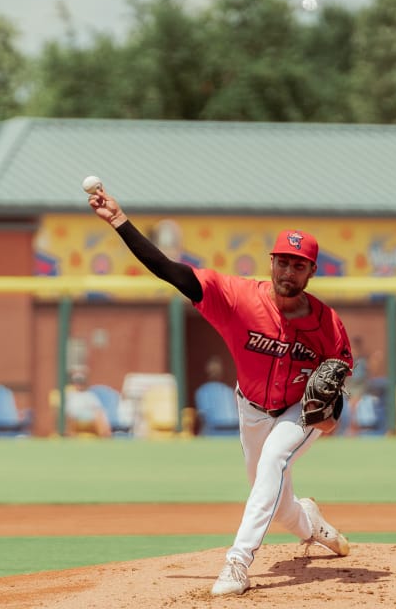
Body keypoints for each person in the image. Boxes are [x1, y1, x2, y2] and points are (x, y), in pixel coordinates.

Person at [88, 183, 352, 597]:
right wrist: (120, 221)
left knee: (273, 462)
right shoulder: (238, 298)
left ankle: (237, 562)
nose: (288, 272)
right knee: (277, 500)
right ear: (272, 263)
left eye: (298, 265)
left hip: (297, 411)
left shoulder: (327, 323)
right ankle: (309, 522)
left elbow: (337, 381)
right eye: (282, 262)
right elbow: (169, 270)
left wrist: (331, 416)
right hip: (251, 409)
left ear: (311, 272)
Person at [64, 367, 113, 438]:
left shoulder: (90, 395)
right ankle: (69, 437)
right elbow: (66, 410)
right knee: (69, 417)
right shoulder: (70, 395)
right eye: (77, 382)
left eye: (81, 382)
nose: (79, 384)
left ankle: (105, 436)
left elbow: (98, 409)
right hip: (74, 417)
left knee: (99, 416)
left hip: (89, 418)